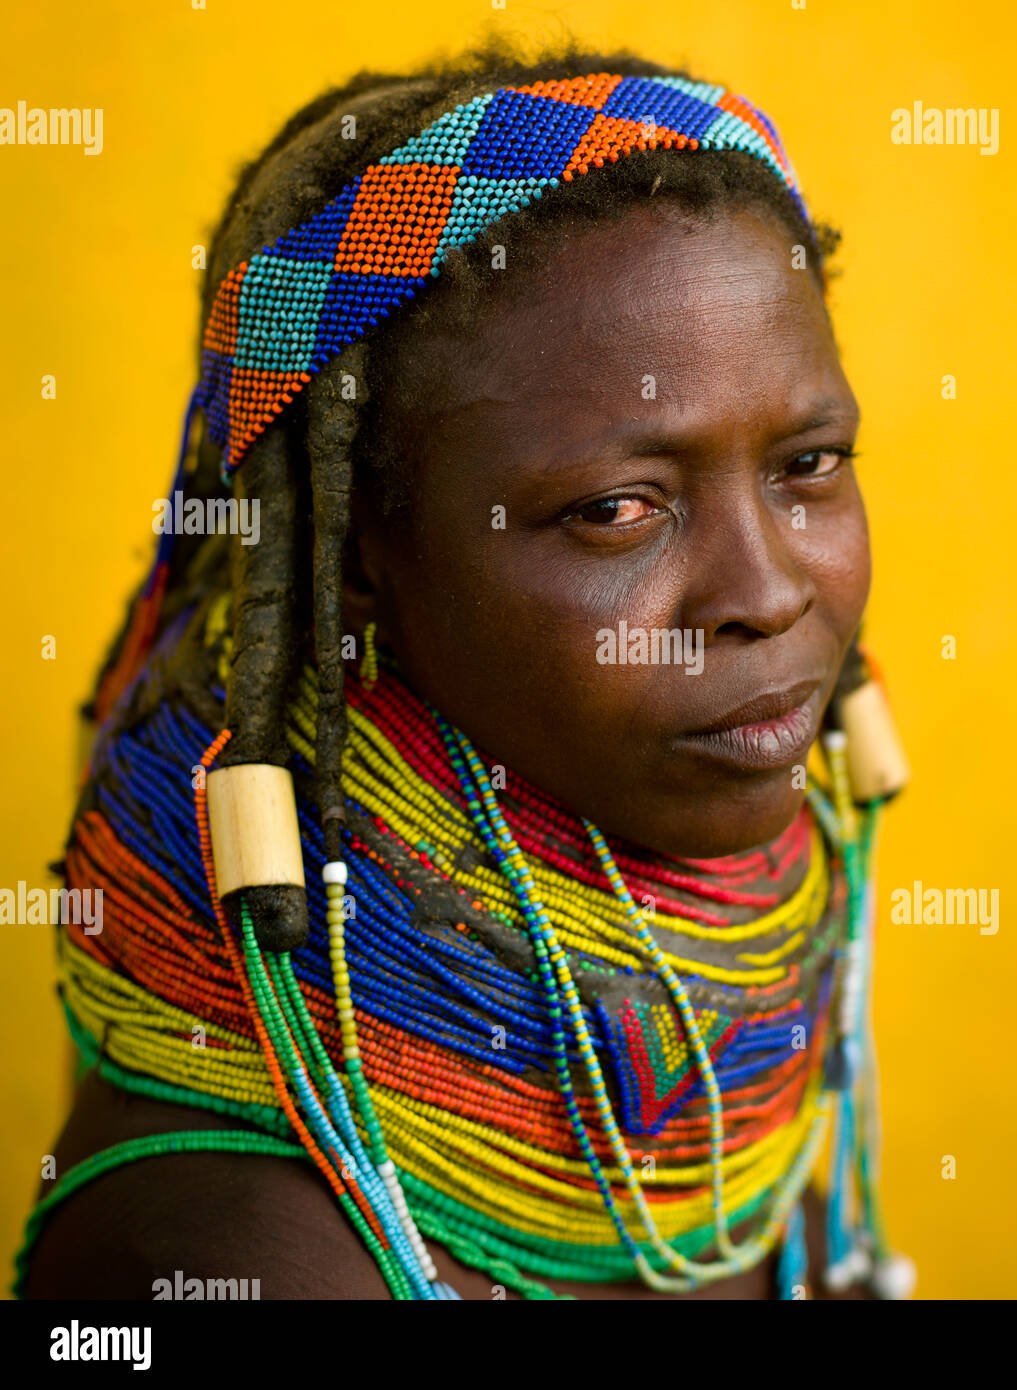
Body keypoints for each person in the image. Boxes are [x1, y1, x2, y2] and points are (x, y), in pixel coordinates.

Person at [17, 37, 912, 1301]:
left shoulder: (731, 1022)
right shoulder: (237, 1256)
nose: (767, 592)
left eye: (807, 464)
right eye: (616, 507)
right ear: (363, 558)